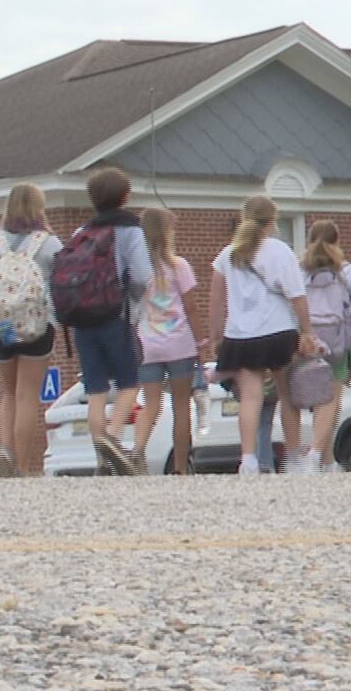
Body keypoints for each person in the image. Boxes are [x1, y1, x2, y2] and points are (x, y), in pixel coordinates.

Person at [206, 196, 319, 476]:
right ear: (273, 221)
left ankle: (248, 460)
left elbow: (216, 300)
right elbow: (297, 295)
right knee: (287, 396)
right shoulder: (281, 251)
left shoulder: (227, 255)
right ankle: (293, 458)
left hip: (241, 335)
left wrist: (215, 337)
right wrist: (307, 330)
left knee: (250, 398)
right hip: (278, 330)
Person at [61, 169, 154, 476]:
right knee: (129, 383)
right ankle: (112, 440)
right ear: (125, 197)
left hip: (83, 319)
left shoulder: (80, 232)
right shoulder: (130, 230)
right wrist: (139, 300)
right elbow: (141, 275)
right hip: (117, 315)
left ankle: (101, 459)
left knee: (96, 391)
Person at [0, 182, 60, 477]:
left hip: (4, 327)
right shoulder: (49, 243)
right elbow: (61, 287)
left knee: (8, 393)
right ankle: (23, 466)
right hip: (37, 326)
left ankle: (5, 450)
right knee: (27, 395)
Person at [280, 221, 351, 473]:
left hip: (306, 339)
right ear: (337, 240)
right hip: (337, 340)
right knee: (329, 399)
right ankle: (316, 454)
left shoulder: (299, 270)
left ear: (309, 240)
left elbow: (289, 300)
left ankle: (327, 461)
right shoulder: (345, 270)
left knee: (310, 398)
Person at [133, 207, 201, 475]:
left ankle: (136, 452)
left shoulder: (136, 270)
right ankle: (181, 467)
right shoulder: (178, 266)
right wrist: (200, 342)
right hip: (179, 343)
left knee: (151, 405)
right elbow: (192, 307)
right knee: (181, 406)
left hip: (147, 344)